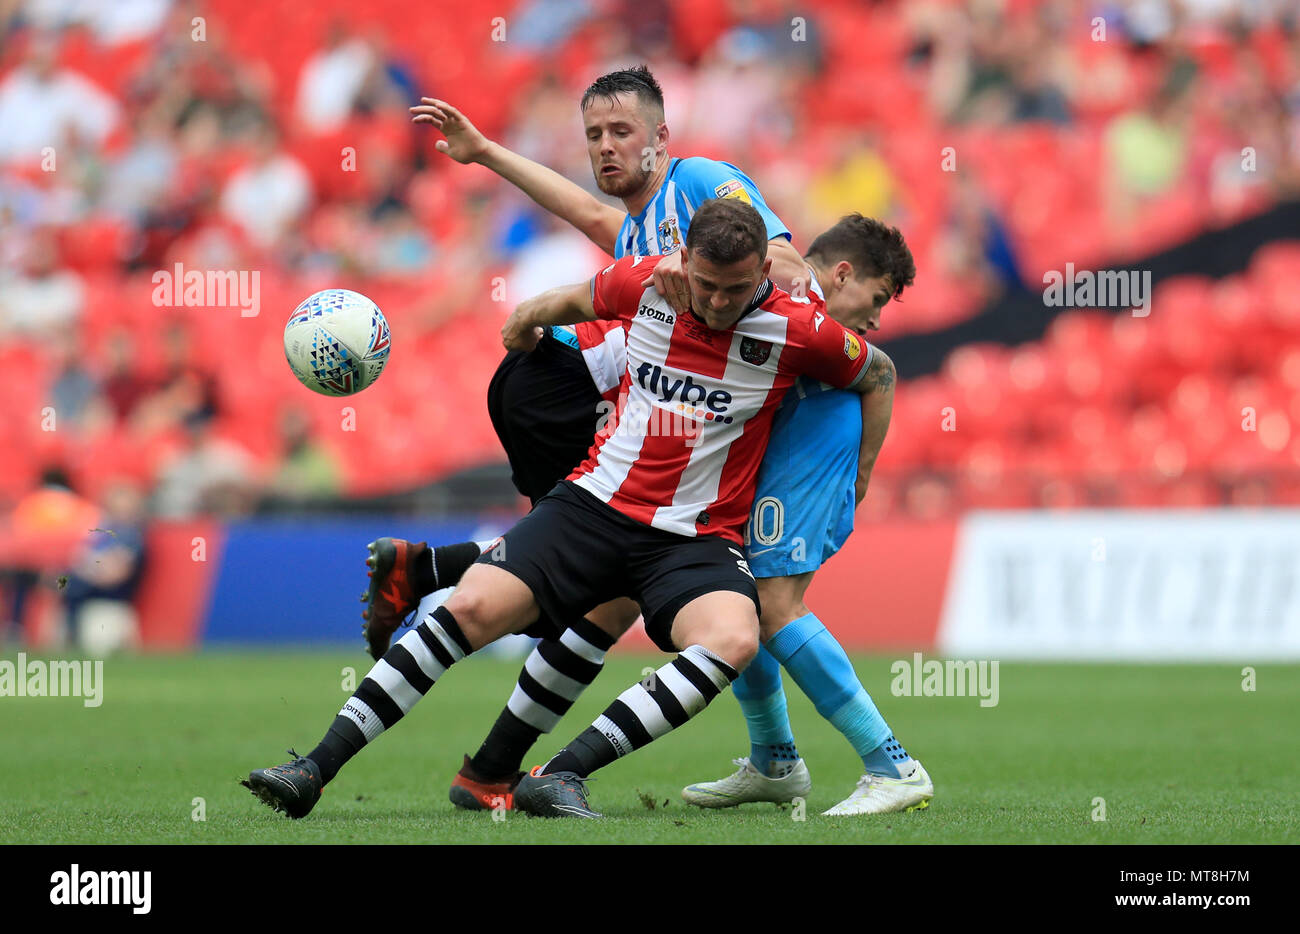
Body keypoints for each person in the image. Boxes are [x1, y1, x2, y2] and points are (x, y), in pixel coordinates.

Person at [383, 68, 929, 815]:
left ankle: (890, 764)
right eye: (595, 138)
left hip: (793, 417)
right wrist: (485, 153)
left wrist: (858, 464)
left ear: (660, 138)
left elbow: (783, 261)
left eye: (620, 133)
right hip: (698, 419)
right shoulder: (645, 232)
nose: (606, 150)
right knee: (694, 590)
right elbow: (583, 212)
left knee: (748, 602)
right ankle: (771, 758)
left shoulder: (704, 183)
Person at [243, 199, 892, 819]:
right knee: (470, 608)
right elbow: (563, 302)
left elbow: (879, 373)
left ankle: (561, 772)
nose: (720, 303)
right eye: (707, 284)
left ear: (762, 274)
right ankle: (313, 769)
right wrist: (522, 326)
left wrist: (859, 477)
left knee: (734, 637)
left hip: (694, 539)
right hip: (592, 508)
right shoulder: (642, 283)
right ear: (684, 262)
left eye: (737, 288)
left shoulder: (799, 330)